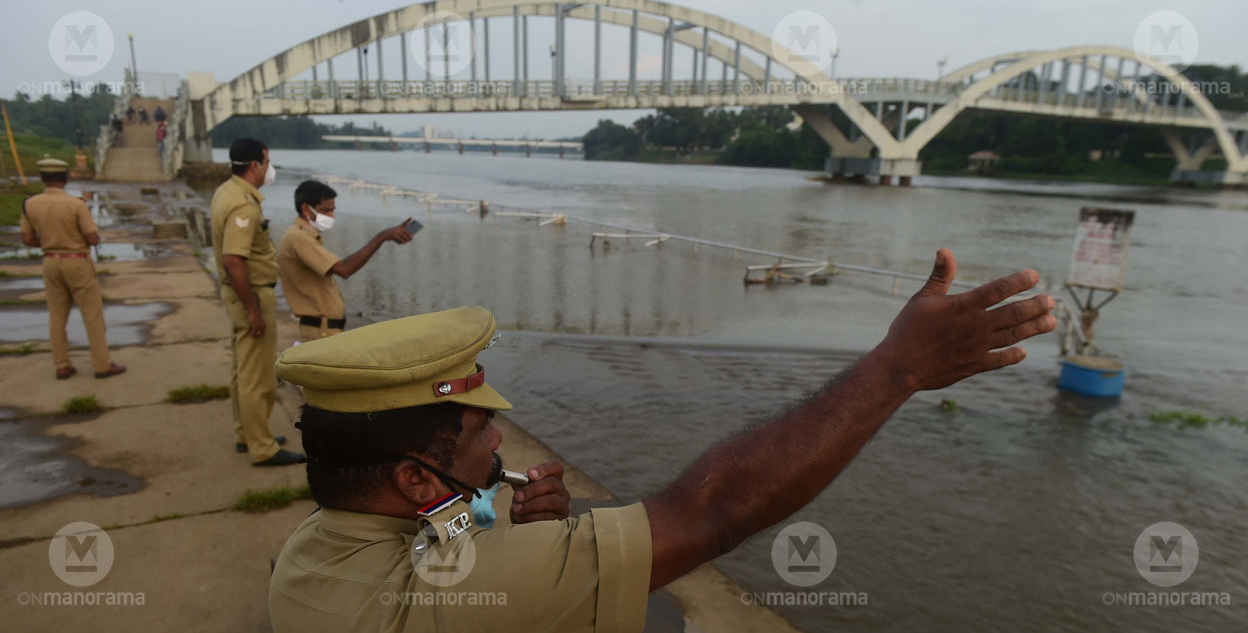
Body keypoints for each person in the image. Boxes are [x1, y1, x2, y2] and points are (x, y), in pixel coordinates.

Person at [269, 253, 1056, 632]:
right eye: (479, 427)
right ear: (415, 479)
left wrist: (502, 520)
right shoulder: (435, 605)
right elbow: (712, 512)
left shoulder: (315, 548)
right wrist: (898, 369)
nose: (498, 438)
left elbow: (432, 536)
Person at [209, 138, 304, 467]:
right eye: (266, 161)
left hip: (240, 292)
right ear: (255, 165)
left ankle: (245, 434)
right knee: (257, 376)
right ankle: (262, 447)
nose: (269, 167)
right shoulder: (243, 206)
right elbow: (234, 260)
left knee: (241, 371)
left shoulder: (227, 191)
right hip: (250, 293)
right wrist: (253, 310)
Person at [19, 157, 126, 380]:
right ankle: (101, 364)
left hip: (50, 260)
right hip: (76, 260)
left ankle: (62, 365)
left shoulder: (29, 204)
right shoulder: (76, 204)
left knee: (57, 315)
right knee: (92, 315)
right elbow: (93, 238)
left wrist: (50, 242)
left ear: (42, 178)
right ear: (66, 179)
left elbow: (27, 239)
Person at [277, 180, 413, 342]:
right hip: (321, 331)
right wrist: (382, 236)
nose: (331, 216)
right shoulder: (299, 238)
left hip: (324, 329)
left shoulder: (304, 236)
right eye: (325, 211)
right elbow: (344, 269)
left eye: (332, 211)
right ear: (306, 208)